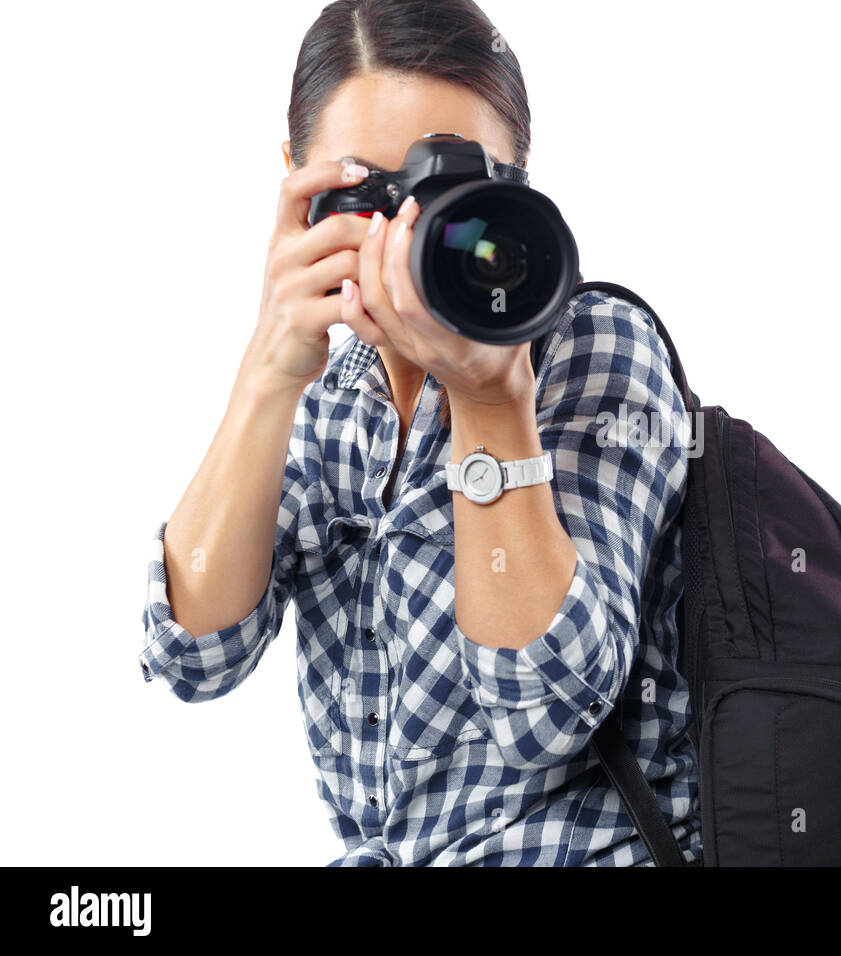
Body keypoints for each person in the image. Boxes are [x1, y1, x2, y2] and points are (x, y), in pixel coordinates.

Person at [137, 0, 700, 866]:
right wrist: (269, 370)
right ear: (294, 180)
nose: (412, 236)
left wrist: (489, 401)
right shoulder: (329, 379)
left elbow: (545, 713)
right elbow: (193, 655)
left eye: (452, 195)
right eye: (368, 193)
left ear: (517, 186)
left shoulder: (593, 346)